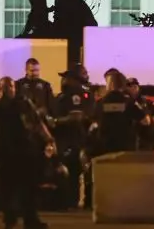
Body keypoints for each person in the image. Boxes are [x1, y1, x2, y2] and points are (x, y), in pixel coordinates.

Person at [0, 76, 56, 229]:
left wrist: (49, 139)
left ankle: (31, 219)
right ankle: (10, 219)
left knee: (29, 186)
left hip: (25, 149)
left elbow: (37, 122)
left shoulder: (23, 102)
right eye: (4, 87)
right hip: (4, 151)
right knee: (6, 188)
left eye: (10, 87)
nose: (8, 90)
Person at [53, 68, 93, 209]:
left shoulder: (78, 95)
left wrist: (56, 121)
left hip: (75, 139)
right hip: (63, 140)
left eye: (66, 78)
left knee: (74, 171)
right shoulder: (61, 96)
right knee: (67, 172)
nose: (63, 81)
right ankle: (67, 202)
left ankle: (74, 204)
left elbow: (76, 117)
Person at [90, 70, 147, 155]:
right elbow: (146, 121)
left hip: (105, 149)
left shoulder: (100, 103)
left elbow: (93, 121)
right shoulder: (129, 102)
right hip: (126, 149)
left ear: (111, 84)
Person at [127, 78, 154, 151]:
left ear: (138, 87)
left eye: (135, 86)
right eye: (130, 86)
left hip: (147, 140)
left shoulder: (147, 102)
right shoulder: (124, 103)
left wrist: (150, 120)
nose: (133, 88)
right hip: (129, 141)